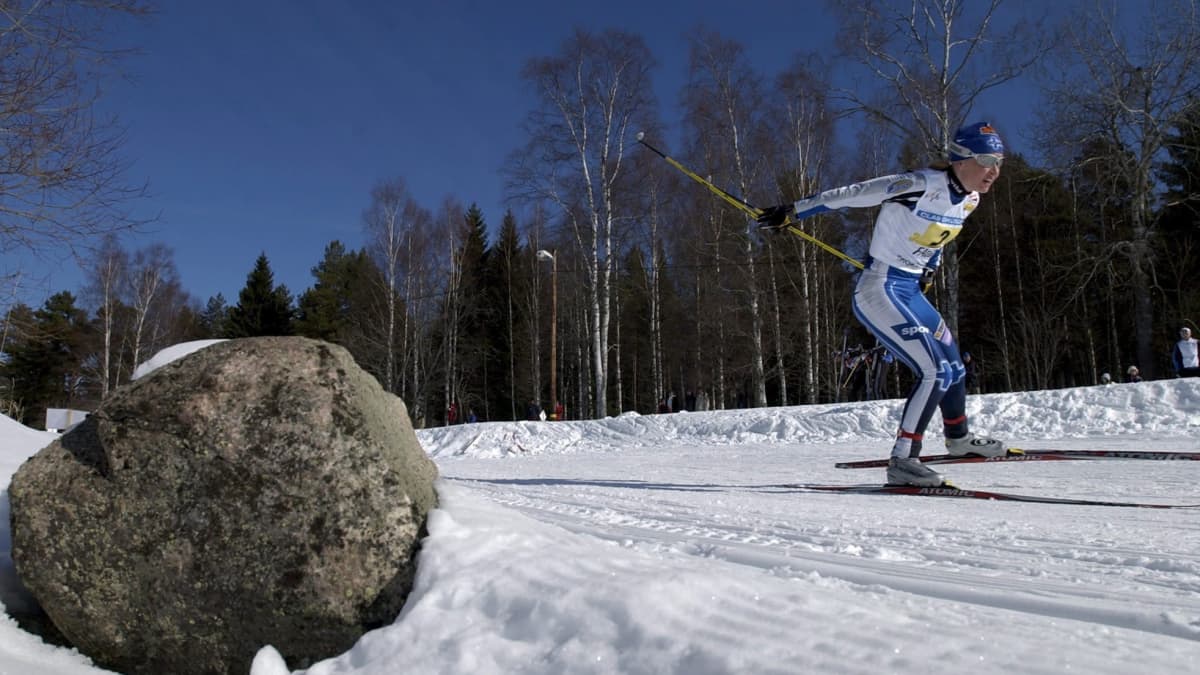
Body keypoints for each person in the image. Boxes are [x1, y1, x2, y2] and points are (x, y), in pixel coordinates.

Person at [757, 121, 1011, 487]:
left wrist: (929, 270)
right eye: (986, 160)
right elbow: (856, 192)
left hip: (910, 290)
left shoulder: (970, 199)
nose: (994, 171)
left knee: (954, 366)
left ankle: (958, 439)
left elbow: (937, 239)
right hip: (880, 289)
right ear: (960, 159)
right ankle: (904, 460)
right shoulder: (919, 184)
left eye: (999, 162)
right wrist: (795, 211)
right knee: (935, 371)